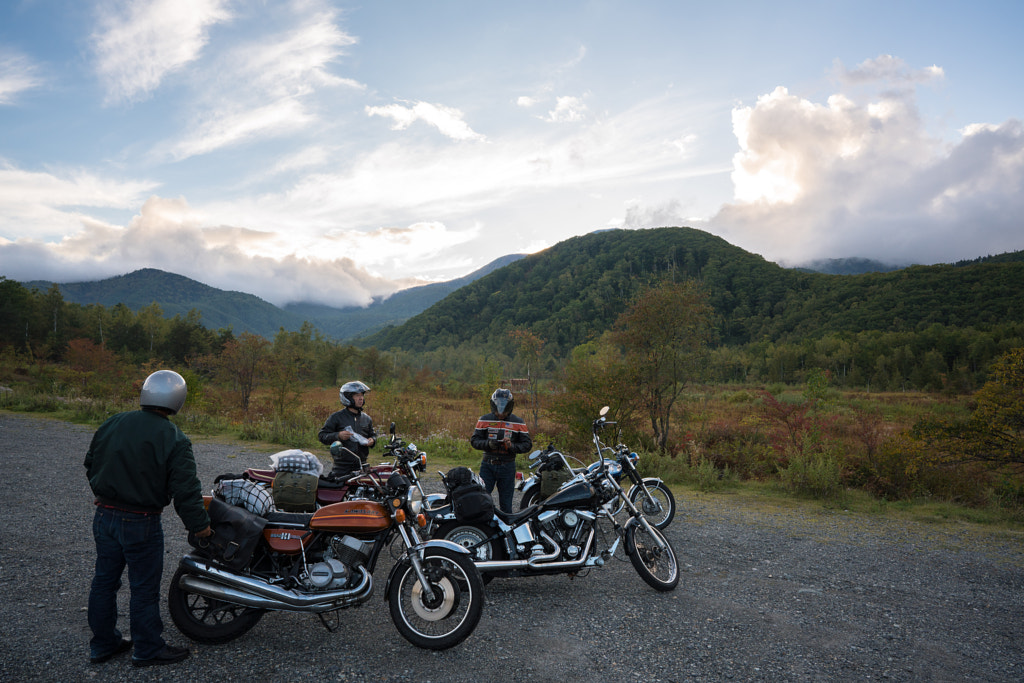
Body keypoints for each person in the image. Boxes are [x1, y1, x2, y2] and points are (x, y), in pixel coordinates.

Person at [84, 370, 212, 668]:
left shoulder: (113, 422)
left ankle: (102, 645)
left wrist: (104, 492)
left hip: (104, 515)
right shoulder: (174, 438)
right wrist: (201, 528)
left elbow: (91, 462)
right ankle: (147, 649)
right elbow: (186, 492)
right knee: (143, 587)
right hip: (142, 522)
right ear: (176, 400)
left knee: (103, 582)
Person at [471, 387, 533, 512]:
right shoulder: (483, 420)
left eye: (504, 409)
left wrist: (512, 446)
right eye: (498, 407)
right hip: (488, 465)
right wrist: (488, 444)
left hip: (507, 466)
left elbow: (527, 445)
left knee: (506, 505)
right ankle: (483, 529)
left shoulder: (518, 422)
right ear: (493, 405)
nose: (500, 413)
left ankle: (505, 530)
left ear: (509, 407)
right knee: (481, 501)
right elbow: (474, 441)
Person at [318, 380, 377, 479]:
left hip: (362, 466)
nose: (361, 398)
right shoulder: (336, 417)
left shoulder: (366, 418)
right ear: (348, 397)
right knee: (338, 492)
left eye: (362, 395)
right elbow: (322, 435)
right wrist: (338, 435)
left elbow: (373, 435)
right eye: (357, 395)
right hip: (342, 467)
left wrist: (373, 440)